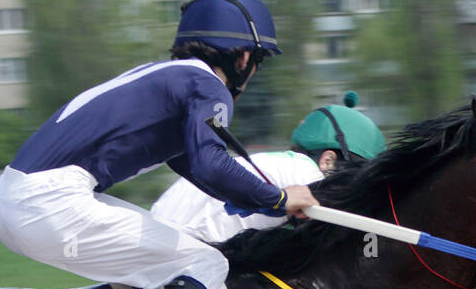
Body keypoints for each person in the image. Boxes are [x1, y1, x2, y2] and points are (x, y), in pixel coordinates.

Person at [0, 0, 318, 289]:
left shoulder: (169, 78)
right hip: (48, 204)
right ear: (243, 57)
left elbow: (192, 163)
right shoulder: (207, 87)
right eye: (257, 61)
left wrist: (267, 206)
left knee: (181, 253)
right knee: (205, 265)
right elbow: (208, 162)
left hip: (25, 200)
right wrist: (281, 197)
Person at [152, 91, 387, 242]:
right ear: (328, 161)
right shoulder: (308, 176)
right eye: (353, 177)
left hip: (168, 230)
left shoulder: (284, 164)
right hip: (178, 241)